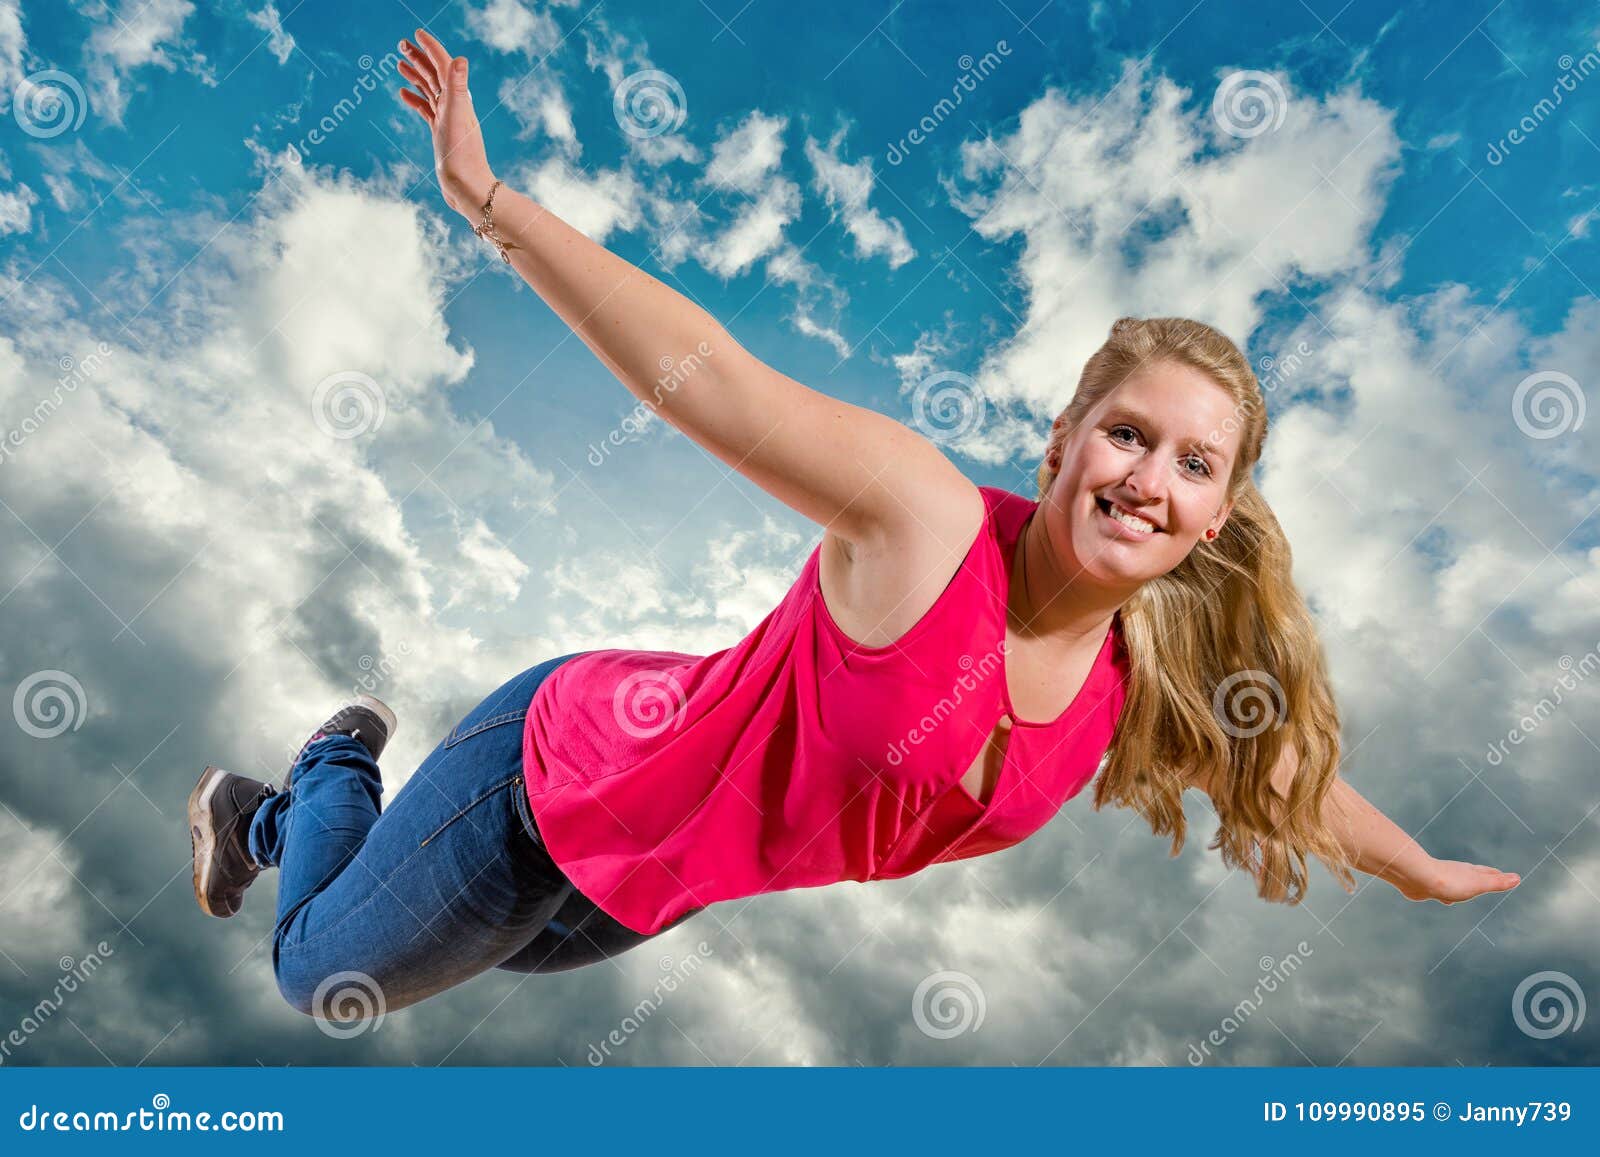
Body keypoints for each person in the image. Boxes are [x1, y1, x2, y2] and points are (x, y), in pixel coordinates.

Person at [187, 28, 1521, 1021]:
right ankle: (327, 762)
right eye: (1127, 435)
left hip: (637, 882)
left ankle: (257, 818)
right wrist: (493, 202)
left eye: (1191, 463)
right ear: (1064, 443)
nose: (1146, 479)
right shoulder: (924, 520)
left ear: (1216, 515)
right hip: (548, 781)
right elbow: (706, 372)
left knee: (470, 944)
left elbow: (1278, 779)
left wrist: (1421, 869)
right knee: (324, 971)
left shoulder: (1134, 686)